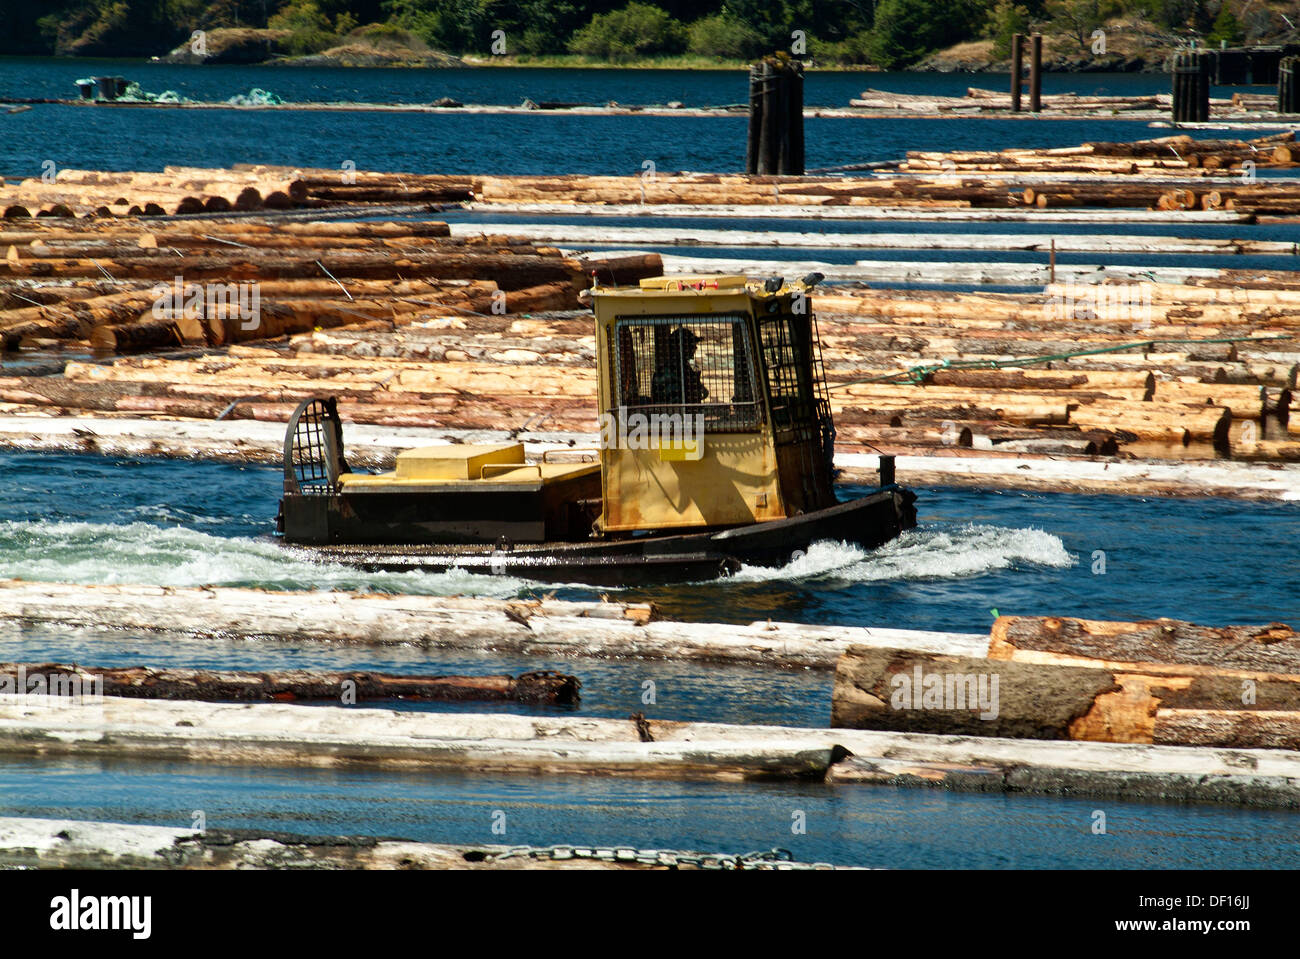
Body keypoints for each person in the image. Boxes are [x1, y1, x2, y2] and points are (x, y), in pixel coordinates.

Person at [651, 327, 708, 405]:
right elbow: (676, 404)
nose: (695, 348)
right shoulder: (670, 372)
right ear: (681, 348)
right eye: (691, 345)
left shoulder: (684, 368)